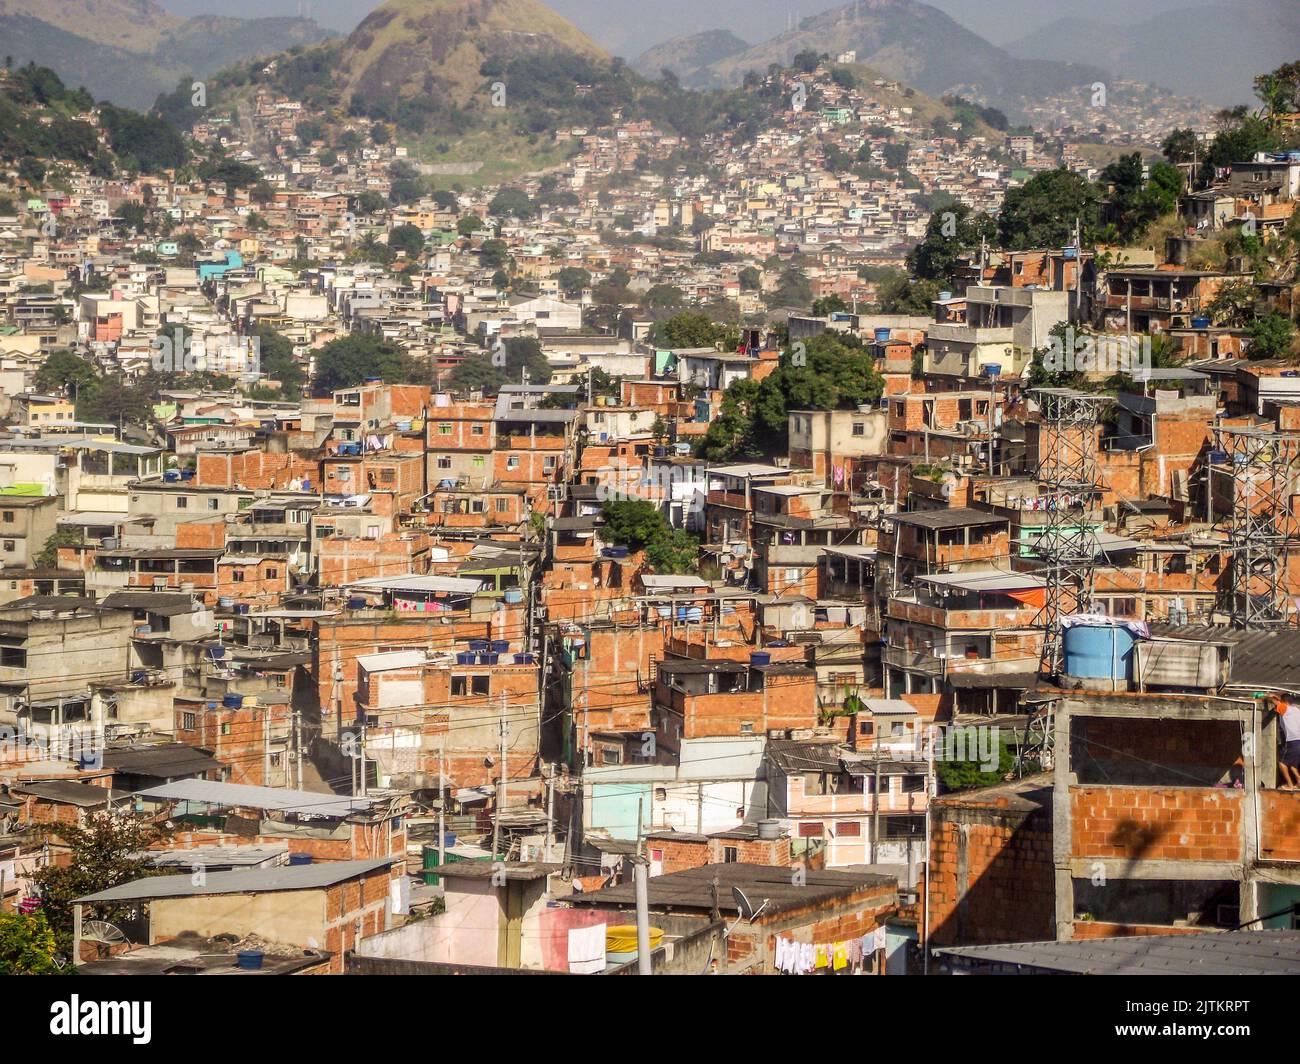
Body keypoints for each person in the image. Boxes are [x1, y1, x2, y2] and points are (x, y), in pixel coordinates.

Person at [1276, 696, 1300, 790]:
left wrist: (1269, 696)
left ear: (1284, 702)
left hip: (1293, 741)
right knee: (1292, 765)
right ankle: (1299, 781)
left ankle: (1290, 785)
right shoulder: (1297, 710)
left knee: (1282, 763)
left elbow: (1275, 702)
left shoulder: (1285, 708)